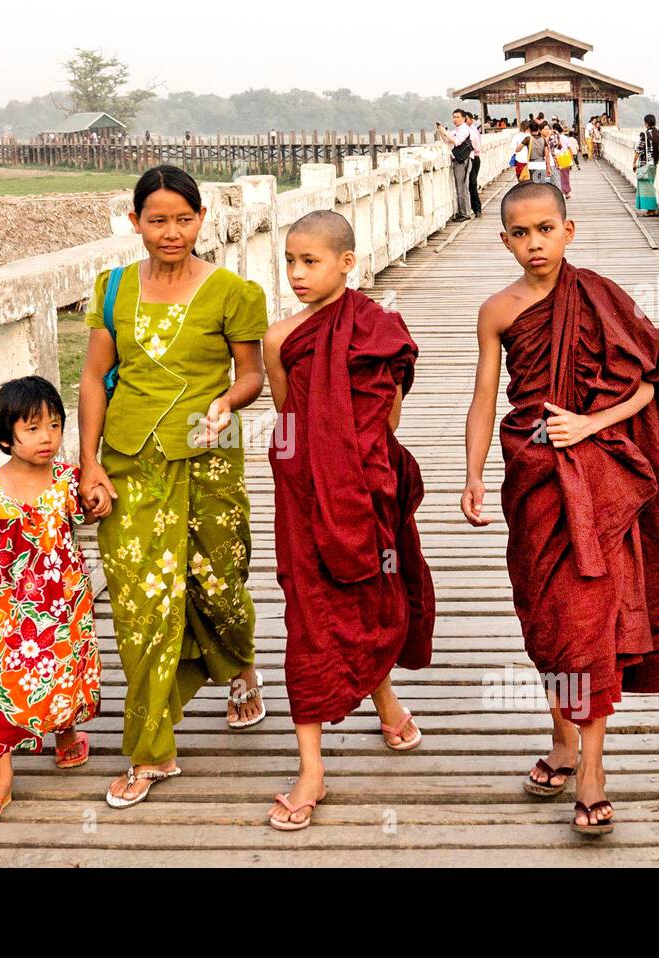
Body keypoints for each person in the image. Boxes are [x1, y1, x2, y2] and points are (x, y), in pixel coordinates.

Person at [460, 181, 659, 836]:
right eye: (520, 233)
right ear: (504, 239)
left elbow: (651, 383)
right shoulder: (497, 311)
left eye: (545, 229)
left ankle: (591, 768)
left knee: (590, 617)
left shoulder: (601, 296)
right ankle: (563, 742)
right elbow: (483, 396)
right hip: (532, 472)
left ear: (569, 229)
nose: (534, 243)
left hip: (599, 475)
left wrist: (593, 426)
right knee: (548, 613)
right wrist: (473, 474)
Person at [78, 164, 269, 809]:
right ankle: (151, 751)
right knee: (142, 604)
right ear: (134, 222)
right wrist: (88, 462)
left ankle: (240, 666)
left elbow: (252, 376)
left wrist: (225, 405)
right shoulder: (111, 290)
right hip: (131, 462)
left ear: (202, 220)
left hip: (208, 458)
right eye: (156, 219)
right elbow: (93, 380)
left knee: (218, 583)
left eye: (184, 219)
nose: (171, 232)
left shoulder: (233, 293)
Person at [262, 210, 435, 831]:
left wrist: (358, 478)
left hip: (366, 492)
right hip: (307, 499)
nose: (298, 274)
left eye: (311, 261)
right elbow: (291, 421)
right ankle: (311, 770)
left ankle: (385, 702)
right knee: (309, 617)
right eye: (290, 261)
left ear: (346, 262)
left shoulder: (380, 332)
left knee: (370, 598)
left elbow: (385, 422)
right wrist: (316, 473)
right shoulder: (281, 338)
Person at [0, 376, 102, 823]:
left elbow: (94, 509)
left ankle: (66, 733)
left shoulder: (66, 481)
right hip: (5, 608)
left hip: (64, 603)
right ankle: (3, 776)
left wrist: (98, 498)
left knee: (61, 672)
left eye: (55, 426)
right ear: (6, 437)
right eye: (34, 428)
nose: (48, 438)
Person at [436, 108, 474, 221]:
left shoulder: (464, 129)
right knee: (459, 187)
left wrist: (445, 133)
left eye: (457, 117)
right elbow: (447, 140)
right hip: (458, 160)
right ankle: (462, 211)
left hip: (463, 161)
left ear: (464, 118)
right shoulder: (457, 130)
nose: (455, 119)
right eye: (453, 117)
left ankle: (466, 213)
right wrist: (441, 131)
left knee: (463, 187)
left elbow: (456, 142)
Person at [634, 113, 659, 216]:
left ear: (646, 123)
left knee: (646, 187)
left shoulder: (644, 135)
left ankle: (651, 209)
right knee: (650, 184)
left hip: (645, 164)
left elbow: (639, 150)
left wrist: (634, 163)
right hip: (654, 164)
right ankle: (651, 209)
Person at [466, 111, 483, 217]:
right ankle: (474, 207)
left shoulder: (472, 130)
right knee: (470, 184)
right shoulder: (470, 130)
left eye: (466, 119)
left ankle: (477, 208)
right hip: (473, 158)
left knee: (472, 184)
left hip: (474, 158)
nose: (465, 121)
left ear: (471, 119)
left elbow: (476, 146)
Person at [554, 122, 577, 199]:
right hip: (564, 158)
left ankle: (558, 192)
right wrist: (571, 160)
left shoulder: (553, 138)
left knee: (556, 176)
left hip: (555, 158)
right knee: (565, 176)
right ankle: (566, 192)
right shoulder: (566, 138)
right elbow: (570, 149)